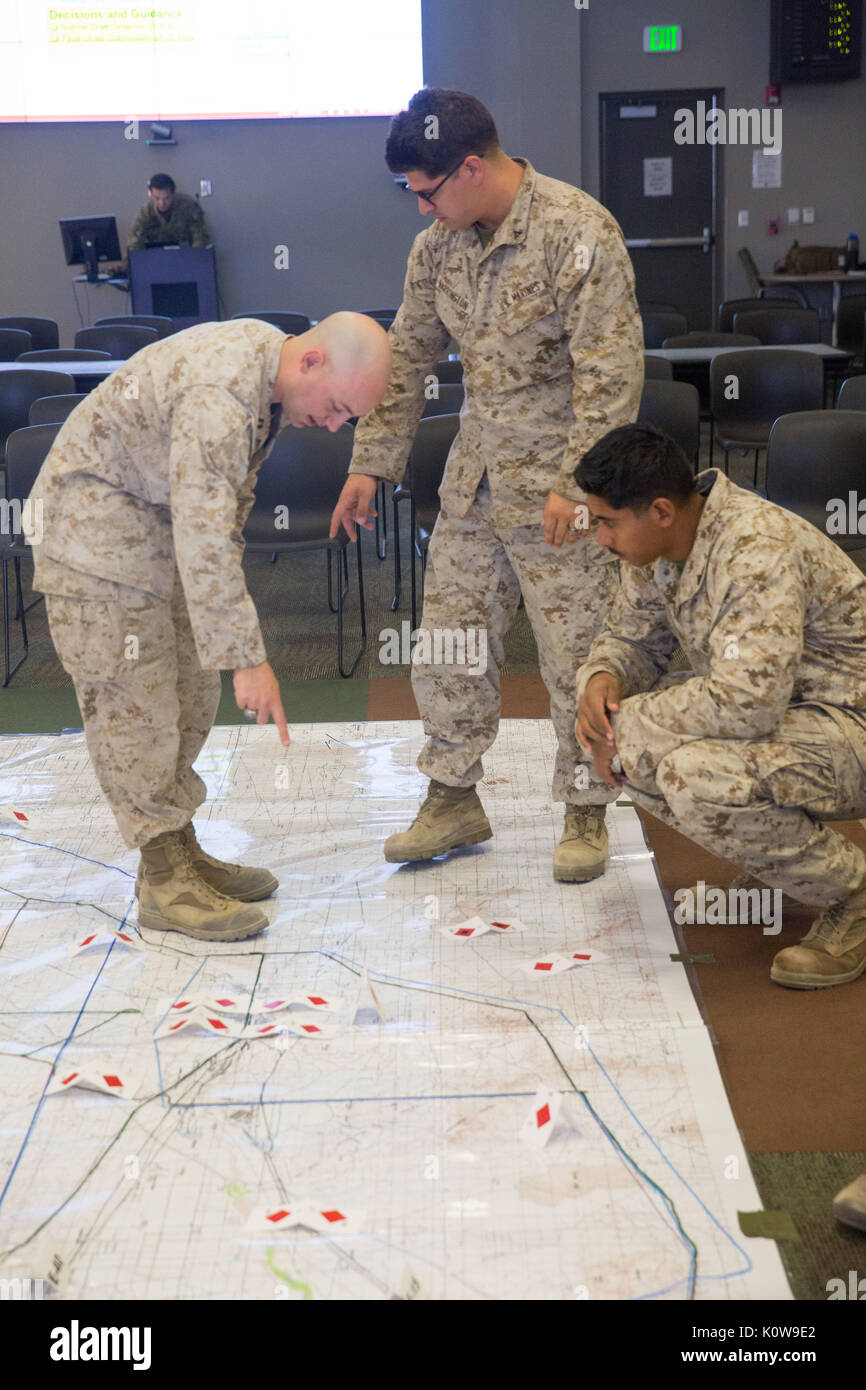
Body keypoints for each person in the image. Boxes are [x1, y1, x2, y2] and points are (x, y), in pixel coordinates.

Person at [329, 88, 643, 881]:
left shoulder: (578, 232)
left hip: (563, 489)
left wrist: (580, 486)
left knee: (575, 651)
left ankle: (585, 805)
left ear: (472, 167)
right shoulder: (438, 250)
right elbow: (406, 358)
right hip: (476, 481)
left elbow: (611, 378)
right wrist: (373, 460)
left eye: (427, 192)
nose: (421, 210)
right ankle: (452, 796)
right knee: (450, 642)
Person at [24, 314, 391, 942]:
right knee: (135, 707)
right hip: (94, 538)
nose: (333, 426)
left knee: (189, 694)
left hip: (154, 530)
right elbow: (204, 527)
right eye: (334, 408)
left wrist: (229, 649)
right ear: (311, 363)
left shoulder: (266, 380)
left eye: (345, 419)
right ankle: (164, 878)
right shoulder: (222, 392)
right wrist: (248, 658)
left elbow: (217, 518)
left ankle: (179, 847)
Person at [573, 422, 866, 989]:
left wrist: (626, 727)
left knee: (688, 774)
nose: (600, 538)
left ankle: (853, 896)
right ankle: (784, 861)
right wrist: (601, 681)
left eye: (608, 522)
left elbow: (746, 704)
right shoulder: (663, 544)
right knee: (625, 740)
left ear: (660, 510)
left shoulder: (754, 548)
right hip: (797, 718)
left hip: (850, 724)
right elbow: (632, 639)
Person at [128, 173, 211, 251]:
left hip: (187, 254)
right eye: (157, 198)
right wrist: (126, 264)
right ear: (151, 195)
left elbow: (200, 237)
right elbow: (135, 243)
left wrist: (195, 257)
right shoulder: (146, 213)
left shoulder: (188, 206)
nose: (162, 203)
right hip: (157, 257)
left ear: (173, 194)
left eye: (166, 198)